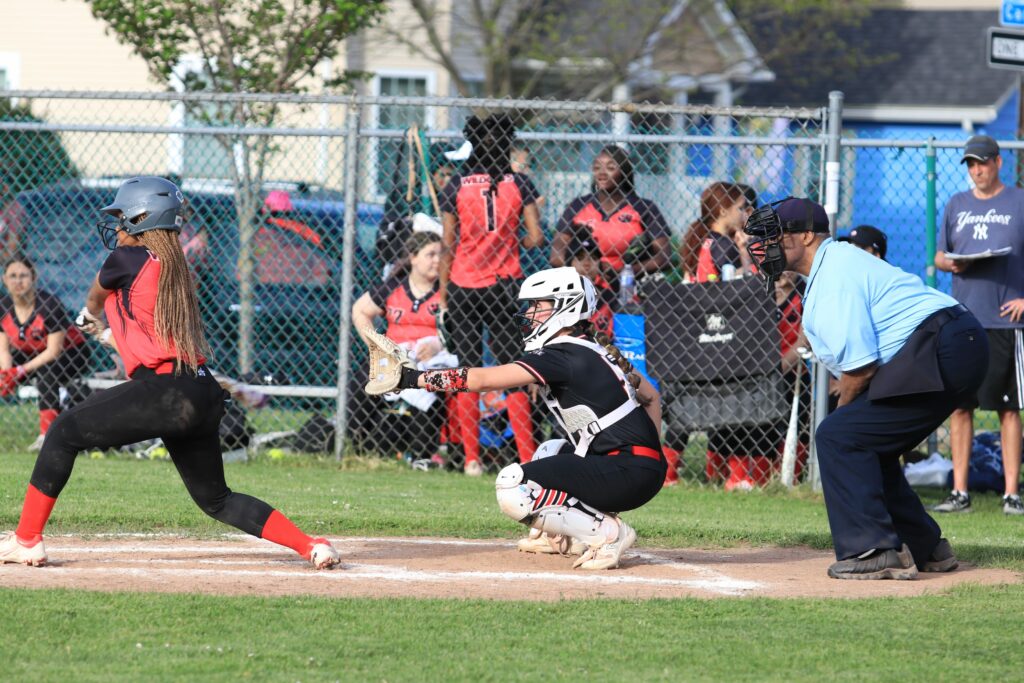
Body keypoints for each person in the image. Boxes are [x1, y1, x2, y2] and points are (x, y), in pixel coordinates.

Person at [0, 176, 340, 569]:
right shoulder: (173, 266)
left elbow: (95, 295)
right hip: (198, 390)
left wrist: (90, 316)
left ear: (144, 219)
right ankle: (310, 544)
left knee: (62, 432)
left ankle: (26, 540)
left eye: (125, 220)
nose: (119, 229)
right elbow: (150, 338)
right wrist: (109, 333)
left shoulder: (125, 259)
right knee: (216, 500)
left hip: (166, 391)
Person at [743, 197, 987, 580]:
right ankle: (926, 547)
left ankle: (873, 549)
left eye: (775, 235)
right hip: (950, 341)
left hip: (943, 344)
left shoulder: (834, 272)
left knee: (841, 436)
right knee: (867, 441)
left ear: (807, 236)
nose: (766, 245)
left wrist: (845, 412)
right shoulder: (832, 266)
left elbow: (861, 366)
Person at [389, 266, 666, 569]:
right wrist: (653, 457)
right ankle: (557, 534)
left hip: (626, 470)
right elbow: (652, 398)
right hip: (637, 467)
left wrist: (411, 378)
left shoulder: (562, 353)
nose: (530, 312)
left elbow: (482, 380)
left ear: (565, 306)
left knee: (513, 487)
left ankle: (609, 533)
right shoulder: (592, 347)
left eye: (538, 305)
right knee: (550, 450)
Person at [438, 114, 544, 475]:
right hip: (505, 284)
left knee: (467, 369)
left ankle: (471, 458)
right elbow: (535, 238)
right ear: (507, 145)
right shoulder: (520, 183)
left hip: (464, 284)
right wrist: (511, 240)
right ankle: (527, 457)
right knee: (514, 371)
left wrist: (442, 294)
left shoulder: (455, 184)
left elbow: (448, 245)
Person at [933, 135, 1024, 516]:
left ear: (998, 163)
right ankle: (960, 492)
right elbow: (938, 255)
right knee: (960, 408)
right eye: (971, 165)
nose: (976, 171)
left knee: (1009, 409)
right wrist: (950, 263)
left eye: (982, 163)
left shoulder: (1019, 201)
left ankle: (1011, 493)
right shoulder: (957, 204)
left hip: (1005, 320)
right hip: (965, 319)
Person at [352, 231, 453, 465]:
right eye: (430, 254)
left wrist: (439, 344)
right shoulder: (394, 287)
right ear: (413, 257)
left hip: (434, 357)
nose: (437, 260)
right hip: (396, 356)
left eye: (441, 255)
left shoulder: (447, 290)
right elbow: (360, 310)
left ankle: (422, 455)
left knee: (431, 383)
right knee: (362, 379)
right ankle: (356, 443)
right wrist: (379, 347)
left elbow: (460, 329)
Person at [0, 255, 91, 450]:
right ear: (4, 280)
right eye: (12, 276)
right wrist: (7, 374)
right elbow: (4, 350)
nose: (18, 281)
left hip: (72, 352)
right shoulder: (3, 306)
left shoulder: (49, 304)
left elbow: (53, 351)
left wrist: (20, 371)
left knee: (46, 373)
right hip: (32, 353)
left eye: (23, 275)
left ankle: (46, 436)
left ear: (33, 278)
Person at [549, 146, 671, 277]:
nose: (602, 173)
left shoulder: (643, 208)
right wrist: (588, 269)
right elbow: (557, 254)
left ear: (624, 172)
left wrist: (626, 271)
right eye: (597, 168)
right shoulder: (578, 205)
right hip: (582, 283)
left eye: (611, 168)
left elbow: (664, 257)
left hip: (627, 287)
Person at [681, 181, 754, 282]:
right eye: (740, 208)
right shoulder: (724, 246)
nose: (744, 214)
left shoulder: (702, 237)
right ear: (723, 211)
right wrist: (745, 256)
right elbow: (738, 286)